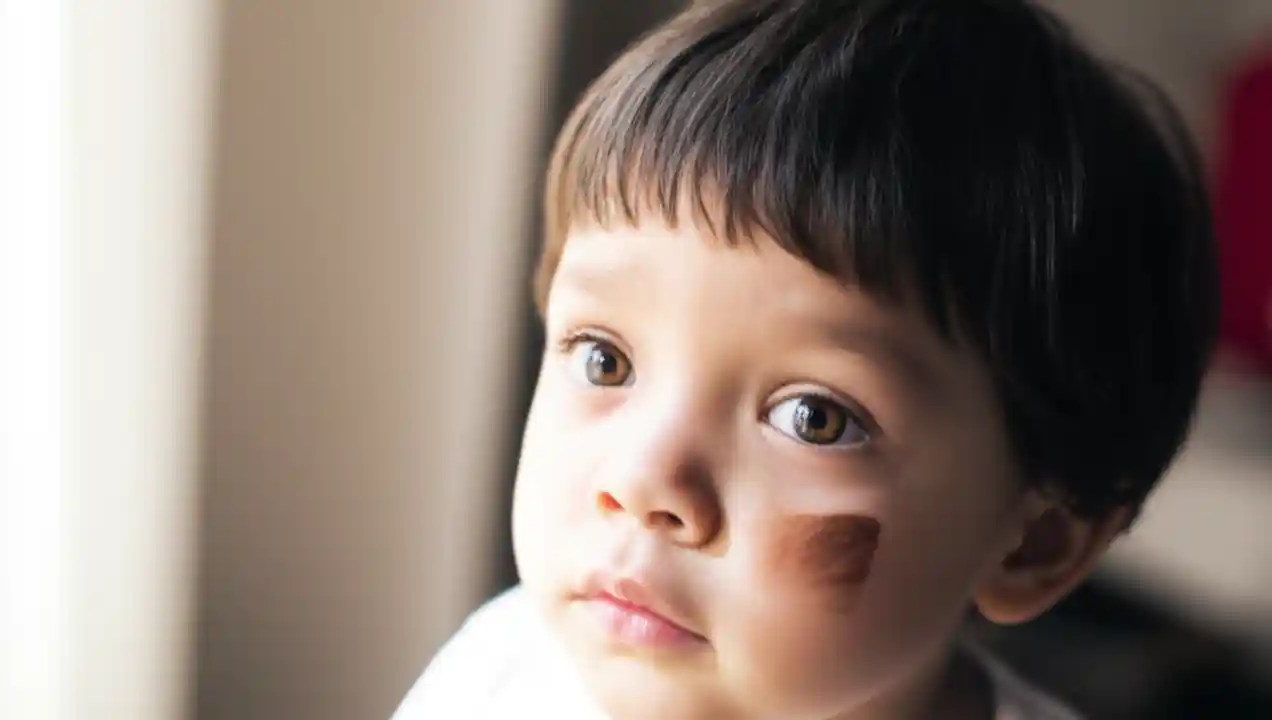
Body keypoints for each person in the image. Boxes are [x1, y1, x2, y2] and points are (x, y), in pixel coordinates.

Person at [395, 0, 1218, 717]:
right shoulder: (502, 671)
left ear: (1033, 542)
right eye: (605, 360)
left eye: (813, 418)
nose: (645, 483)